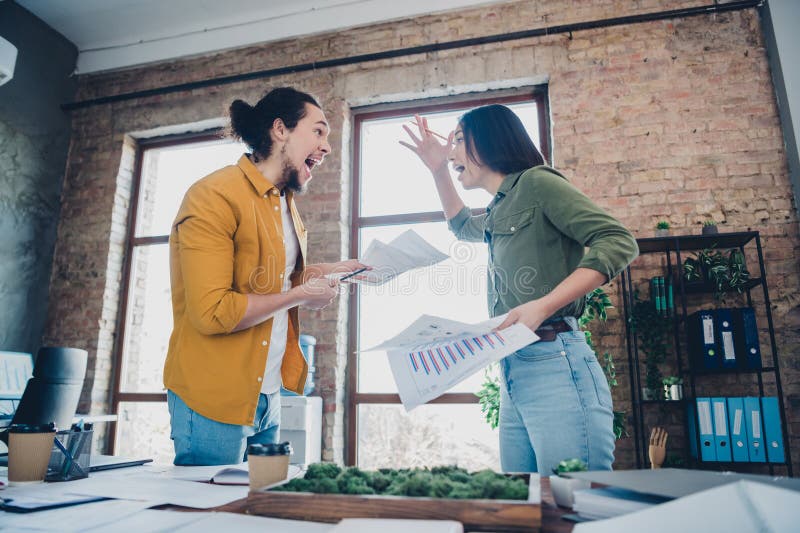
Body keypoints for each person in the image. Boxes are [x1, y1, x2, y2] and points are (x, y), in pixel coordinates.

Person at [400, 105, 638, 474]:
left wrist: (543, 306)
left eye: (459, 140)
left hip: (556, 362)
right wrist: (437, 171)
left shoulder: (536, 184)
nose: (451, 153)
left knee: (571, 497)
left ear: (490, 139)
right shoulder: (500, 207)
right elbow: (462, 227)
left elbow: (618, 241)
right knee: (524, 499)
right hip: (514, 367)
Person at [164, 87, 365, 465]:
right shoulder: (214, 195)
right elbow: (212, 312)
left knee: (259, 502)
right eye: (318, 131)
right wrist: (301, 295)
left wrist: (334, 271)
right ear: (280, 130)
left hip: (268, 396)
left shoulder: (285, 204)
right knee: (210, 504)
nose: (327, 147)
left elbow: (274, 281)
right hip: (213, 399)